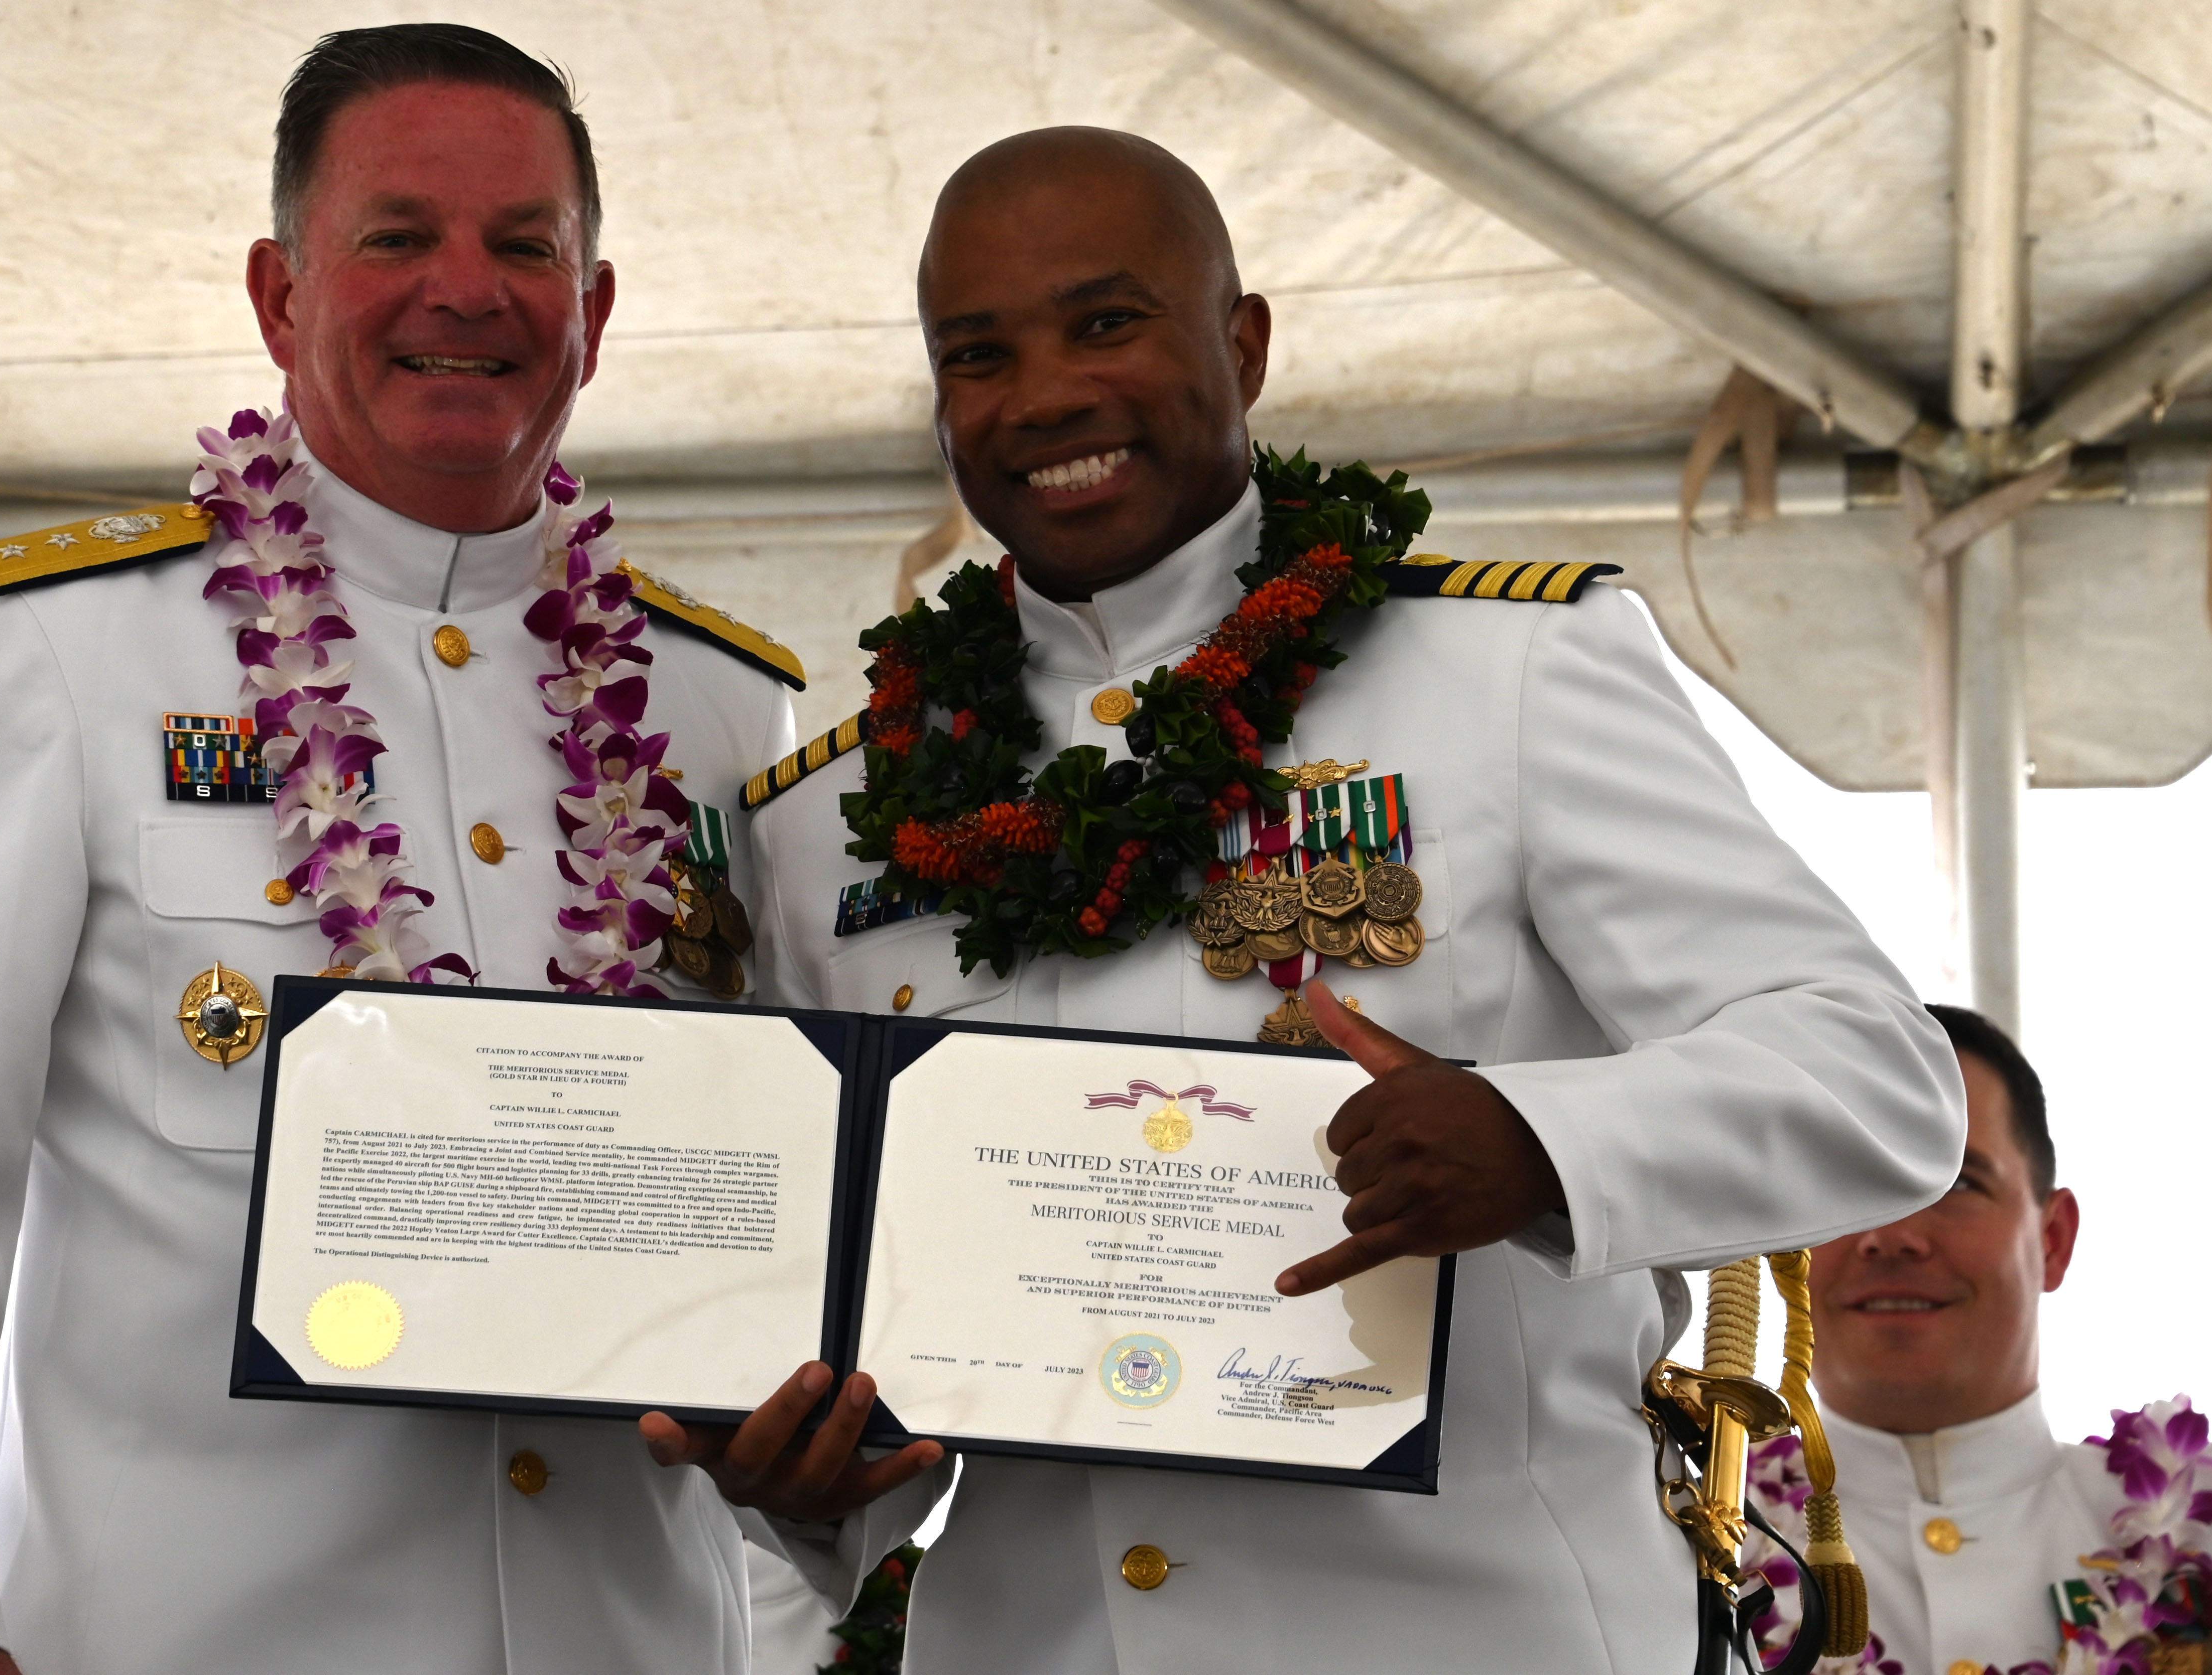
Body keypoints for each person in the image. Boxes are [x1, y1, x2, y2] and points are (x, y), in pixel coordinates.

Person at [0, 24, 932, 1675]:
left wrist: (821, 1483)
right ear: (280, 294)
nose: (467, 289)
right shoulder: (56, 653)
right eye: (398, 236)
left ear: (592, 313)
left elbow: (795, 1239)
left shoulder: (721, 706)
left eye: (525, 245)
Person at [741, 125, 1968, 1672]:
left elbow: (1876, 1079)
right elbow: (846, 1362)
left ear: (1242, 344)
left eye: (1107, 323)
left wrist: (1536, 1141)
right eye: (977, 354)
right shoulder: (835, 827)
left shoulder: (1508, 672)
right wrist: (803, 1489)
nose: (1044, 395)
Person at [1741, 1006, 2205, 1675]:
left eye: (1954, 1181)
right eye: (1847, 1182)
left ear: (2052, 1239)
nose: (1889, 1235)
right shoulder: (1691, 1549)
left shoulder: (2196, 1531)